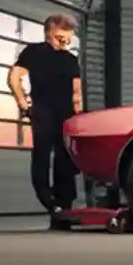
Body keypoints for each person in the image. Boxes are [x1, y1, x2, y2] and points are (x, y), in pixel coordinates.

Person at [7, 14, 83, 214]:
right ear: (49, 31)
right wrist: (24, 105)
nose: (64, 41)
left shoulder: (71, 60)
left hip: (67, 115)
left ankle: (64, 207)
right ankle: (46, 197)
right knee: (42, 155)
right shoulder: (33, 52)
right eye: (60, 37)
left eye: (68, 38)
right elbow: (14, 78)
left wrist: (79, 114)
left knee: (65, 158)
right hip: (42, 111)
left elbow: (77, 92)